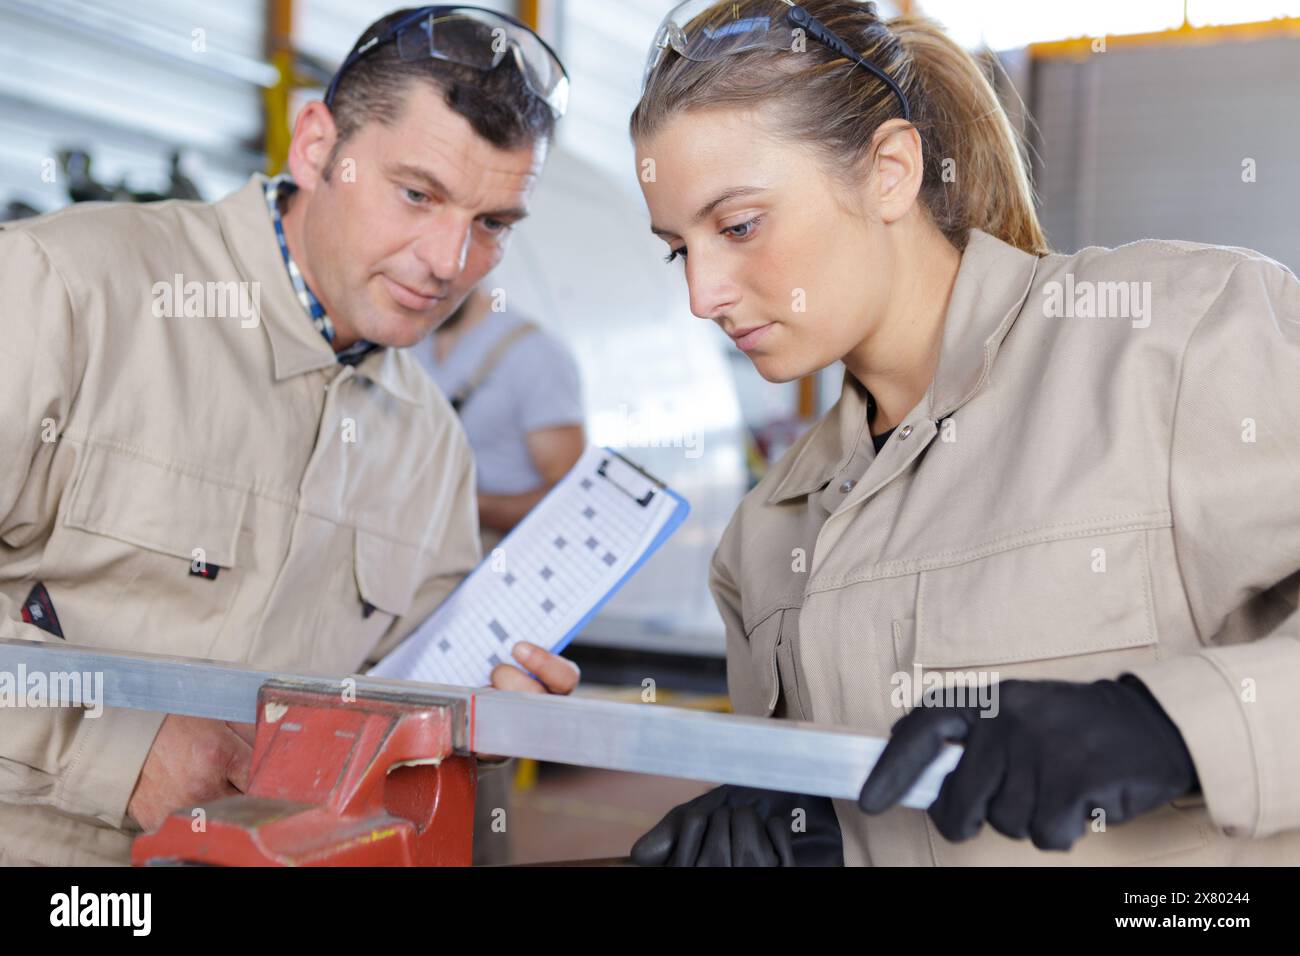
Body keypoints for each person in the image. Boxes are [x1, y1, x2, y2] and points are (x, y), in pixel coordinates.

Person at [628, 0, 1300, 866]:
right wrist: (797, 823)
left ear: (890, 171)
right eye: (679, 248)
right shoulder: (767, 533)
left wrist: (1169, 726)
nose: (702, 294)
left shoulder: (1177, 343)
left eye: (739, 226)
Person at [0, 5, 579, 866]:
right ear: (315, 146)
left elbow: (403, 713)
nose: (448, 261)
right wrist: (114, 752)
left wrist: (476, 717)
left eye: (492, 223)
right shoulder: (67, 292)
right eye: (417, 194)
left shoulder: (430, 449)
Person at [412, 283, 586, 864]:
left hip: (492, 584)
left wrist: (460, 503)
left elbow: (569, 494)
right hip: (410, 584)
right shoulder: (410, 343)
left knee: (473, 753)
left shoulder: (534, 356)